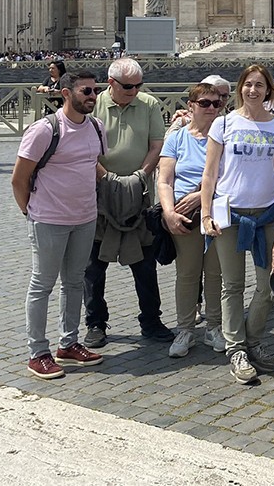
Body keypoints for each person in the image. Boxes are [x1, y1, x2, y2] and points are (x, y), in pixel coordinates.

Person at [12, 70, 108, 380]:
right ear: (66, 94)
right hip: (49, 218)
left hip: (85, 217)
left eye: (95, 90)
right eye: (86, 91)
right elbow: (19, 178)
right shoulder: (45, 130)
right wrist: (32, 212)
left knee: (74, 281)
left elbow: (91, 164)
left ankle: (68, 344)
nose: (92, 96)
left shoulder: (96, 127)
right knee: (42, 285)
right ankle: (37, 352)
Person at [200, 64, 274, 385]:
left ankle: (253, 340)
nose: (253, 90)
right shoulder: (223, 123)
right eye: (248, 85)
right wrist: (205, 213)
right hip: (229, 211)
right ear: (240, 88)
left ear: (269, 90)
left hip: (268, 212)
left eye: (259, 85)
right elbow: (210, 173)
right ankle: (236, 349)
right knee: (232, 284)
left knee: (268, 285)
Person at [84, 58, 171, 347]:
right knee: (94, 265)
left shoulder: (148, 104)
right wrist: (106, 177)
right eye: (127, 87)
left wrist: (140, 175)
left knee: (144, 263)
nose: (134, 91)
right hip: (99, 196)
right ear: (110, 84)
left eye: (138, 86)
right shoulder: (93, 105)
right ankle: (95, 323)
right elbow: (84, 147)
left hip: (140, 196)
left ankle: (151, 320)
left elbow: (157, 145)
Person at [157, 83, 227, 358]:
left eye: (216, 103)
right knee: (186, 273)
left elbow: (230, 176)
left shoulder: (225, 136)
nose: (211, 108)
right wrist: (168, 212)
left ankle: (214, 326)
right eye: (205, 103)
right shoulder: (176, 138)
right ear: (191, 106)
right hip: (183, 214)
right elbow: (164, 180)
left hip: (216, 210)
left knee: (215, 273)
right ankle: (185, 329)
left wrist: (201, 195)